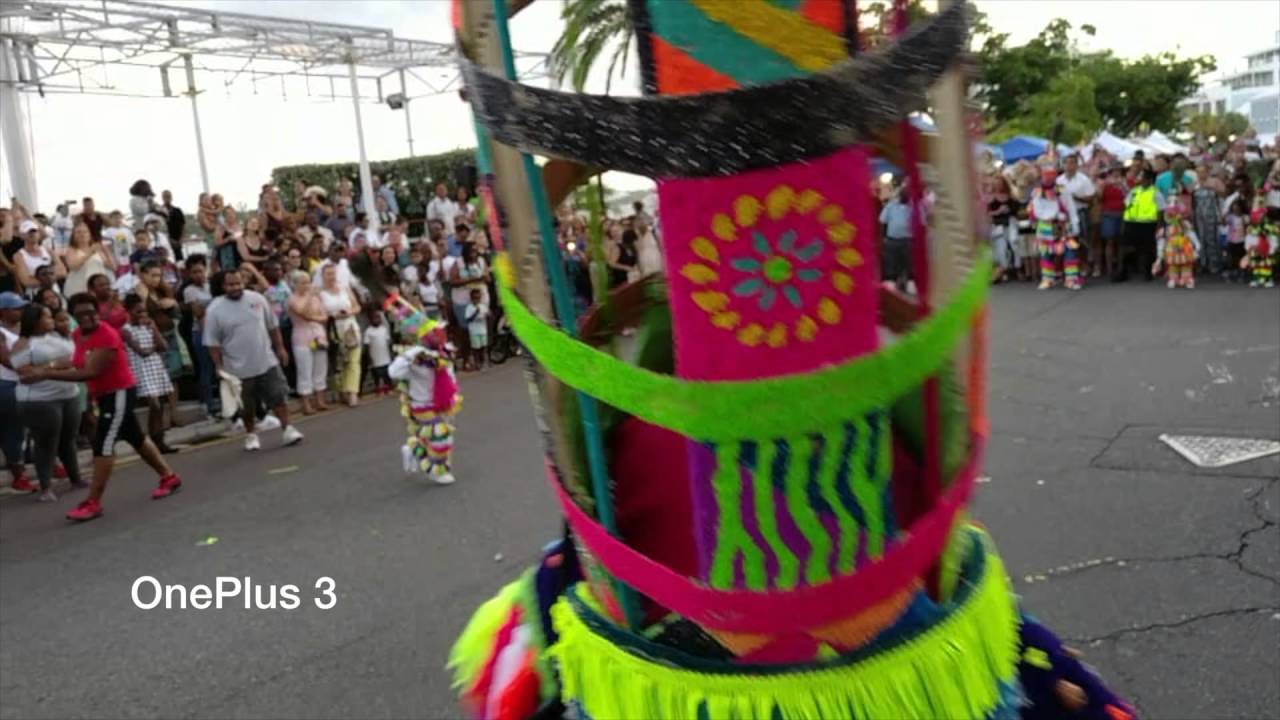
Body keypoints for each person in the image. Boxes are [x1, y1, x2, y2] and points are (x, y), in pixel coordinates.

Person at [23, 292, 183, 521]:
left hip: (118, 392)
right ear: (73, 316)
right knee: (135, 437)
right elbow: (75, 360)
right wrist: (45, 366)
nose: (86, 317)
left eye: (90, 312)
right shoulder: (78, 334)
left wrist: (45, 374)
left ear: (97, 312)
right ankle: (169, 476)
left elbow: (90, 371)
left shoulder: (107, 334)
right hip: (105, 395)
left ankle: (93, 501)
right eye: (80, 314)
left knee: (103, 445)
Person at [203, 268, 303, 451]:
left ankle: (287, 428)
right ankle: (251, 435)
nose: (236, 287)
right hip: (236, 367)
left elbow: (272, 326)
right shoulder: (215, 309)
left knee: (278, 395)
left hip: (266, 360)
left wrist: (280, 348)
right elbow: (212, 343)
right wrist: (219, 366)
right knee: (246, 406)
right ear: (223, 286)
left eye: (238, 283)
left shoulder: (257, 299)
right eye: (231, 284)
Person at [11, 302, 84, 501]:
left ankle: (75, 479)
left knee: (68, 440)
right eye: (46, 317)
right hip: (40, 400)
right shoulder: (23, 343)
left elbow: (75, 359)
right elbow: (25, 374)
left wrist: (46, 368)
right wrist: (56, 366)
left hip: (69, 393)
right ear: (34, 321)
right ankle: (45, 487)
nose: (51, 320)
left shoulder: (59, 337)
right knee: (45, 444)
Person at [389, 326, 460, 485]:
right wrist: (409, 355)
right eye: (434, 334)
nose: (439, 337)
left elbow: (450, 376)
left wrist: (452, 399)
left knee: (434, 436)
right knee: (441, 438)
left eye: (441, 333)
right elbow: (393, 372)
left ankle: (414, 449)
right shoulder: (415, 357)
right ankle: (435, 472)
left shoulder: (444, 353)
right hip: (421, 404)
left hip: (441, 403)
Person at [120, 294, 177, 453]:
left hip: (154, 366)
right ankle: (154, 437)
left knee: (160, 404)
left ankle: (159, 438)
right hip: (141, 369)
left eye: (144, 311)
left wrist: (154, 329)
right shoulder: (126, 330)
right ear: (129, 312)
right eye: (138, 312)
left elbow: (164, 346)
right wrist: (153, 349)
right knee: (155, 404)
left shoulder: (148, 326)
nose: (142, 315)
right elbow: (141, 351)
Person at [0, 292, 33, 492]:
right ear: (3, 311)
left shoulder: (22, 328)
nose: (21, 311)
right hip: (7, 385)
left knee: (29, 428)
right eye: (16, 308)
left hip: (24, 383)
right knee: (13, 430)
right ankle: (19, 476)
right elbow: (6, 359)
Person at [319, 263, 362, 407]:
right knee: (339, 363)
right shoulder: (320, 293)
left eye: (333, 273)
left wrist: (350, 312)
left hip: (350, 327)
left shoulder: (345, 288)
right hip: (333, 329)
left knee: (353, 360)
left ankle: (353, 392)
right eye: (328, 274)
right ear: (323, 276)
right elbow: (319, 313)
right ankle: (342, 390)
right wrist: (332, 315)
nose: (332, 277)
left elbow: (356, 306)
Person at [286, 270, 329, 414]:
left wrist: (313, 317)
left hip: (318, 335)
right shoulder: (292, 299)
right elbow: (301, 311)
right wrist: (309, 296)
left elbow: (323, 316)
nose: (307, 285)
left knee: (320, 368)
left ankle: (320, 400)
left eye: (308, 282)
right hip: (301, 336)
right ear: (295, 284)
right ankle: (306, 403)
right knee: (305, 370)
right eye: (303, 283)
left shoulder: (316, 298)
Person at [181, 255, 219, 417]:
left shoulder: (212, 286)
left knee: (218, 368)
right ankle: (208, 404)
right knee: (205, 368)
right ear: (189, 274)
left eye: (201, 271)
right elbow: (198, 313)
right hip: (201, 333)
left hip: (217, 332)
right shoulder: (189, 291)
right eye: (194, 272)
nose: (199, 275)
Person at [1120, 168, 1165, 282]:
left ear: (1149, 180)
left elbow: (1161, 210)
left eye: (1142, 177)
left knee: (1147, 249)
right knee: (1128, 248)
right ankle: (1123, 272)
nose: (1140, 179)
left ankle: (1147, 272)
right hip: (1132, 223)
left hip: (1148, 224)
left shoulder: (1155, 192)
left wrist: (1159, 226)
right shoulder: (1134, 190)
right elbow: (1126, 205)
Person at [1056, 154, 1096, 276]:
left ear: (1077, 165)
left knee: (1081, 239)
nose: (1069, 166)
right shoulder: (1059, 180)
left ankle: (1084, 264)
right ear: (1063, 165)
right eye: (1067, 163)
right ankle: (1069, 265)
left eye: (1072, 163)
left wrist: (1075, 197)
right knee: (1065, 240)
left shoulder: (1083, 179)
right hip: (1064, 214)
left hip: (1079, 212)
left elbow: (1090, 199)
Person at [62, 223, 113, 297]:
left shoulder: (97, 249)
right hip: (78, 288)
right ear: (73, 236)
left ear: (89, 234)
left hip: (97, 288)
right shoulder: (71, 250)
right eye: (78, 232)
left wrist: (106, 251)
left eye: (85, 232)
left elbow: (112, 266)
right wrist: (90, 252)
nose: (82, 234)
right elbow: (73, 266)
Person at [14, 219, 64, 293]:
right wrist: (50, 278)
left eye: (34, 231)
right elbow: (26, 281)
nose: (32, 234)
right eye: (28, 232)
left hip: (54, 291)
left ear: (38, 233)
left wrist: (38, 279)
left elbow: (63, 272)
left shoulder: (49, 251)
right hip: (35, 293)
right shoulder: (19, 256)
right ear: (22, 236)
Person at [879, 186, 912, 289]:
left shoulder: (913, 206)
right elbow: (882, 221)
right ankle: (892, 286)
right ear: (900, 195)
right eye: (903, 194)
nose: (905, 196)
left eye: (907, 194)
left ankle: (904, 283)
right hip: (892, 240)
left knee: (907, 264)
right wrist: (883, 237)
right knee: (891, 264)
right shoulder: (891, 205)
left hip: (907, 241)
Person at [987, 175, 1019, 281]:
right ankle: (1001, 271)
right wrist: (998, 211)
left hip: (1009, 224)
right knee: (1000, 249)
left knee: (1013, 246)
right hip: (996, 227)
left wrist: (1009, 211)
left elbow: (1016, 210)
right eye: (996, 183)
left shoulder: (1010, 196)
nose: (998, 185)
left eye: (1000, 183)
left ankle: (1013, 270)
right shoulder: (990, 197)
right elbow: (985, 213)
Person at [363, 310, 393, 395]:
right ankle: (379, 389)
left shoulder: (384, 329)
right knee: (377, 374)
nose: (376, 320)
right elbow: (366, 345)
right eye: (374, 319)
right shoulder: (368, 331)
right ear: (371, 320)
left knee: (386, 373)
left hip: (385, 355)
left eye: (378, 318)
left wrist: (390, 353)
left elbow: (388, 342)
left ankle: (389, 388)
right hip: (375, 356)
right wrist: (369, 358)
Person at [463, 287, 490, 371]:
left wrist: (488, 315)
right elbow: (468, 319)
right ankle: (477, 363)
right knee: (476, 348)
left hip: (483, 330)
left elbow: (488, 316)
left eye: (478, 297)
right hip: (474, 331)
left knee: (483, 347)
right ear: (471, 298)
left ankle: (483, 362)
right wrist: (475, 313)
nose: (477, 299)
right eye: (475, 298)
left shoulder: (483, 306)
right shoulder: (469, 307)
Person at [101, 210, 135, 275]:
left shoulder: (127, 230)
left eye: (119, 217)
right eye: (115, 218)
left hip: (129, 261)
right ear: (110, 219)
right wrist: (113, 261)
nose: (117, 220)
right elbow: (108, 248)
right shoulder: (107, 232)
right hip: (118, 262)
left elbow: (133, 244)